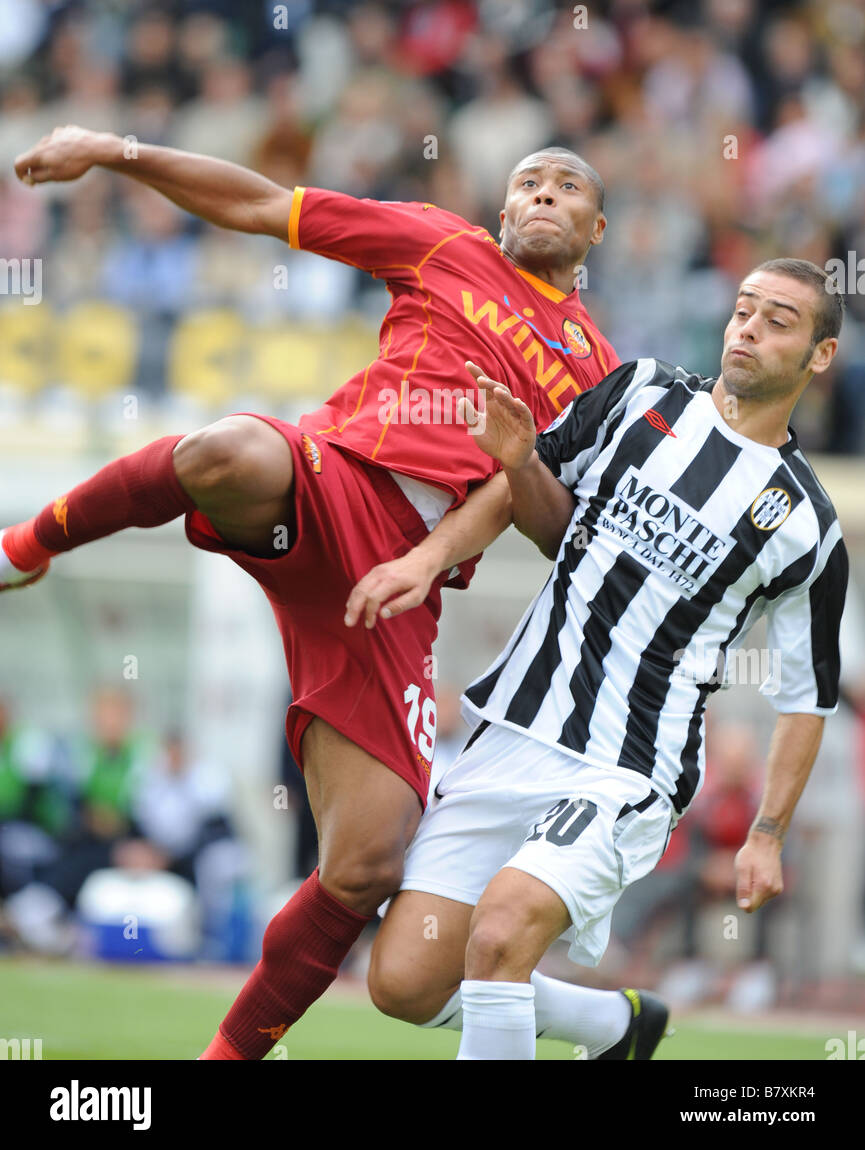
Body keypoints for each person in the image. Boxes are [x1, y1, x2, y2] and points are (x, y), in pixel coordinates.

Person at [2, 126, 619, 1059]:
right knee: (223, 450)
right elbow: (258, 204)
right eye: (526, 181)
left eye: (564, 187)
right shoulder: (441, 244)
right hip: (328, 479)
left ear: (596, 226)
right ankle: (26, 545)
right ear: (500, 210)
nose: (541, 195)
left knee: (366, 863)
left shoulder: (600, 376)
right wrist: (114, 151)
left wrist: (425, 559)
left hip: (400, 584)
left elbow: (535, 514)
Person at [346, 259, 847, 1060]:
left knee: (503, 929)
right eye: (742, 309)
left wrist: (766, 834)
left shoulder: (806, 525)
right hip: (512, 728)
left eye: (777, 320)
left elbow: (805, 697)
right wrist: (428, 556)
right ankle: (615, 1027)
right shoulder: (638, 393)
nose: (747, 328)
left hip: (624, 767)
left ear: (820, 356)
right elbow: (525, 497)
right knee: (403, 984)